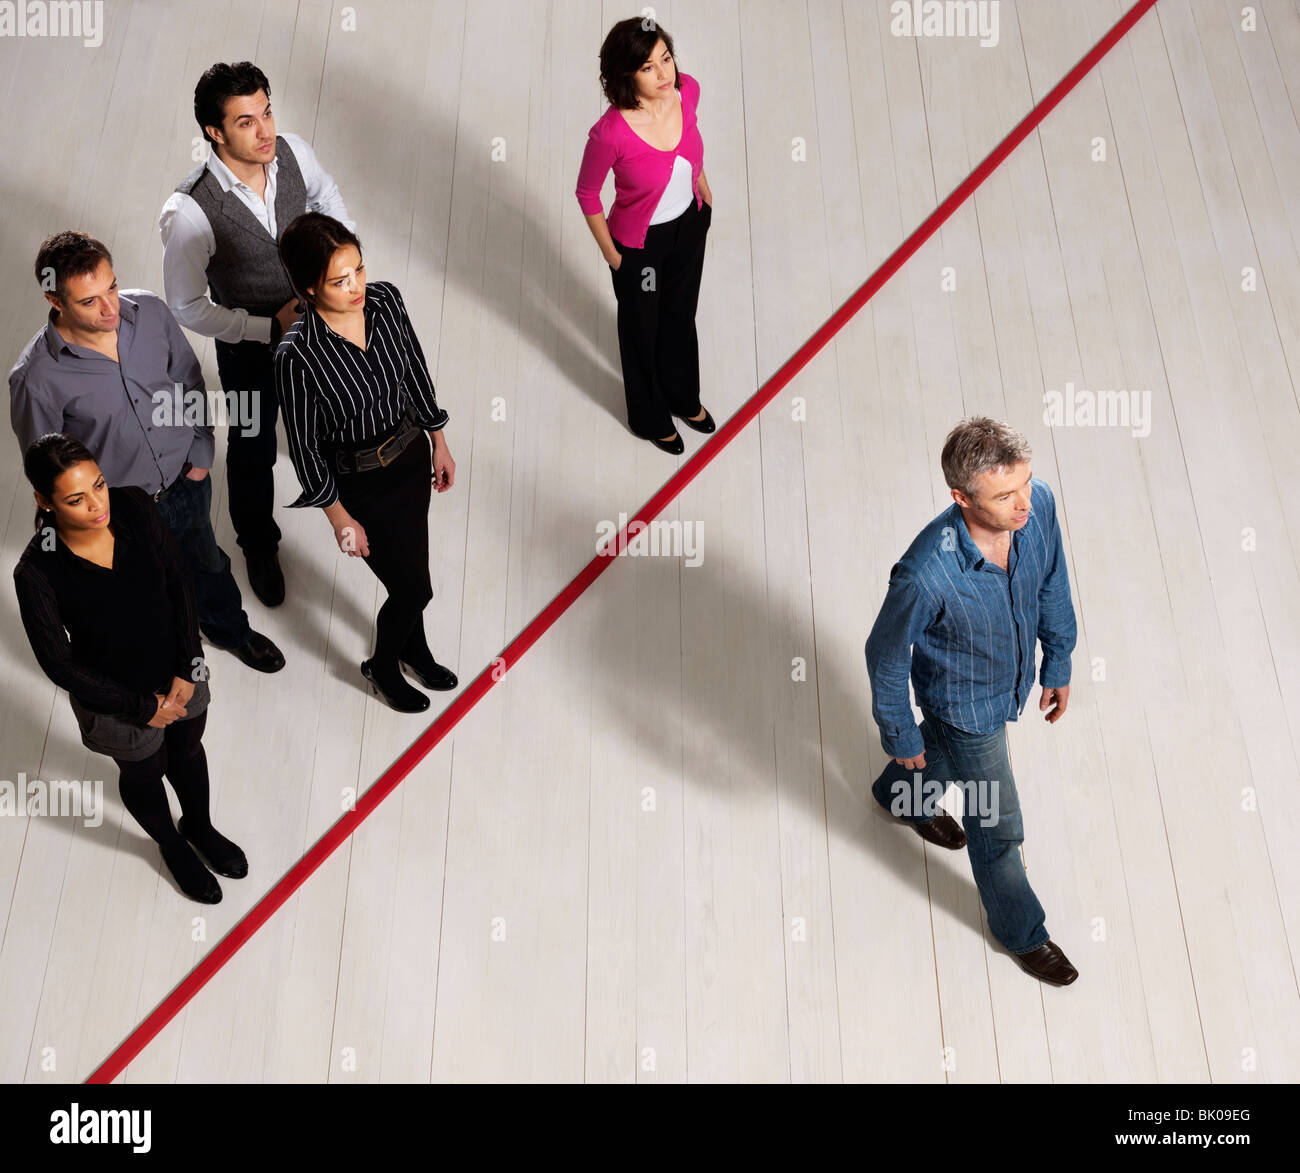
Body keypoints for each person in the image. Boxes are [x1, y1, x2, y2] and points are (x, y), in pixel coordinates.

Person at [9, 230, 284, 675]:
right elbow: (49, 471)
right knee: (151, 593)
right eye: (89, 301)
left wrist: (200, 449)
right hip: (120, 514)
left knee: (207, 562)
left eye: (111, 288)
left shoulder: (151, 312)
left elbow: (189, 379)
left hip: (186, 479)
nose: (110, 308)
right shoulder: (35, 379)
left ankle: (230, 630)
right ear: (55, 301)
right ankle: (179, 655)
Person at [864, 417, 1079, 986]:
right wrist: (900, 733)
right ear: (960, 497)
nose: (1023, 504)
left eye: (1026, 484)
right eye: (1005, 495)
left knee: (936, 760)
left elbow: (1053, 580)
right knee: (997, 825)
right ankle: (1020, 931)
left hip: (1009, 685)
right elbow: (884, 655)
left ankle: (899, 795)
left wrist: (1058, 657)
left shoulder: (1041, 508)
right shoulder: (925, 574)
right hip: (963, 710)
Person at [13, 434, 248, 904]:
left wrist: (188, 663)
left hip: (181, 668)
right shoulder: (36, 571)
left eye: (98, 485)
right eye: (75, 499)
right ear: (44, 501)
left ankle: (198, 826)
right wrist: (142, 707)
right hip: (115, 700)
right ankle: (171, 844)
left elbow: (180, 578)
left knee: (187, 748)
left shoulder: (135, 506)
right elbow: (59, 664)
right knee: (146, 770)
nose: (97, 505)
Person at [159, 60, 355, 606]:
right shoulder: (189, 211)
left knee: (328, 407)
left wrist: (339, 260)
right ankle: (259, 543)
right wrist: (265, 327)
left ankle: (338, 478)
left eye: (266, 112)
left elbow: (326, 193)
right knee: (253, 448)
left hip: (318, 323)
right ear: (214, 133)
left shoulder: (291, 151)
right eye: (246, 122)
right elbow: (186, 306)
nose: (265, 130)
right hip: (248, 346)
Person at [274, 212, 458, 713]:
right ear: (308, 289)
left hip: (410, 460)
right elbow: (306, 449)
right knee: (413, 587)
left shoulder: (386, 300)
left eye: (358, 269)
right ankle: (381, 665)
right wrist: (339, 519)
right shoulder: (297, 355)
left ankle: (412, 651)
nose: (355, 286)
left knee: (410, 573)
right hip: (362, 487)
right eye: (338, 280)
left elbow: (415, 370)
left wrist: (438, 439)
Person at [575, 19, 716, 454]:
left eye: (666, 59)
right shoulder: (611, 133)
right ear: (626, 75)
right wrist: (614, 257)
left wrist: (704, 193)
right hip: (641, 249)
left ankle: (682, 396)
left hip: (689, 227)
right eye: (648, 67)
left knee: (680, 316)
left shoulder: (686, 92)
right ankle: (649, 415)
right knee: (643, 330)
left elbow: (690, 143)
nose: (664, 73)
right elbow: (586, 193)